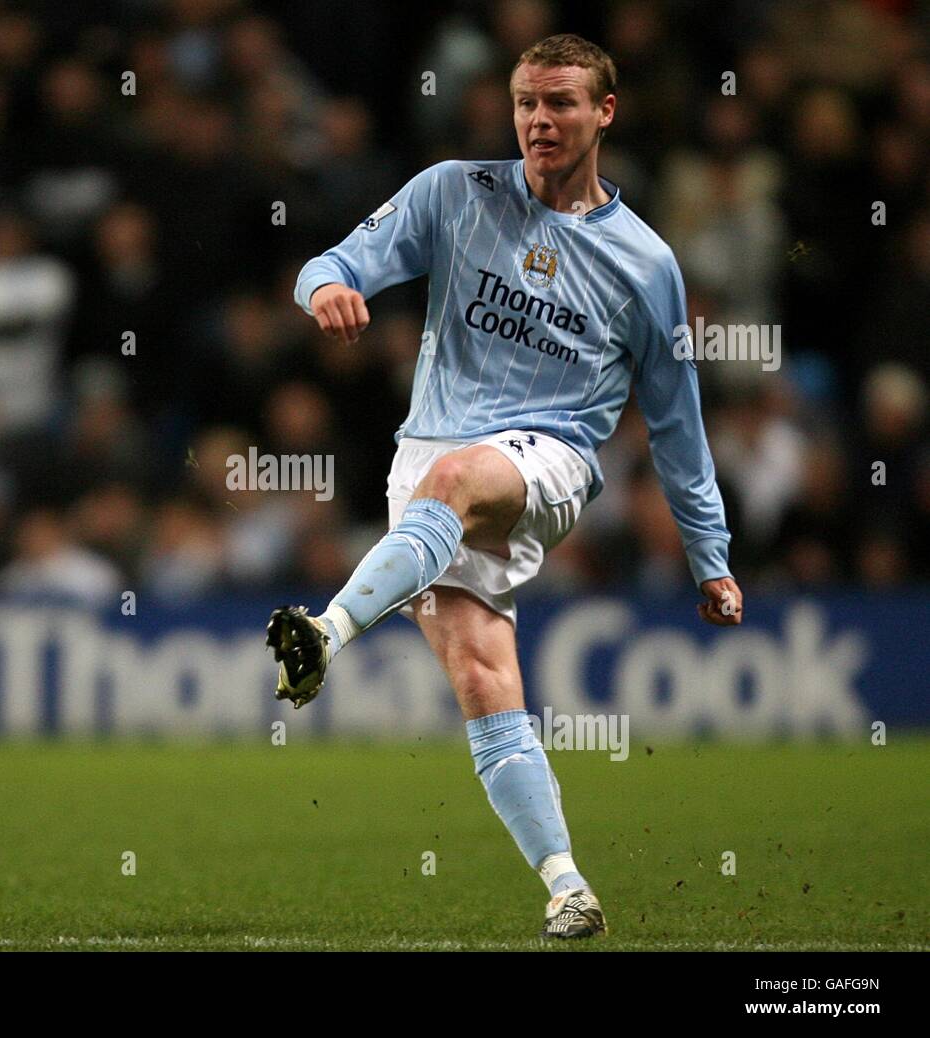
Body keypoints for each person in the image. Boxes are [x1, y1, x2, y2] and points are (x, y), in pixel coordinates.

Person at [268, 33, 743, 940]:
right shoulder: (454, 191)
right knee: (486, 680)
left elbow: (679, 426)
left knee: (453, 481)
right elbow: (327, 262)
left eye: (560, 103)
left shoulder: (646, 264)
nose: (538, 120)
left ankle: (326, 630)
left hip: (550, 461)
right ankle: (568, 886)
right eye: (527, 102)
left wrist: (709, 558)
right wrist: (323, 290)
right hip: (430, 456)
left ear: (604, 112)